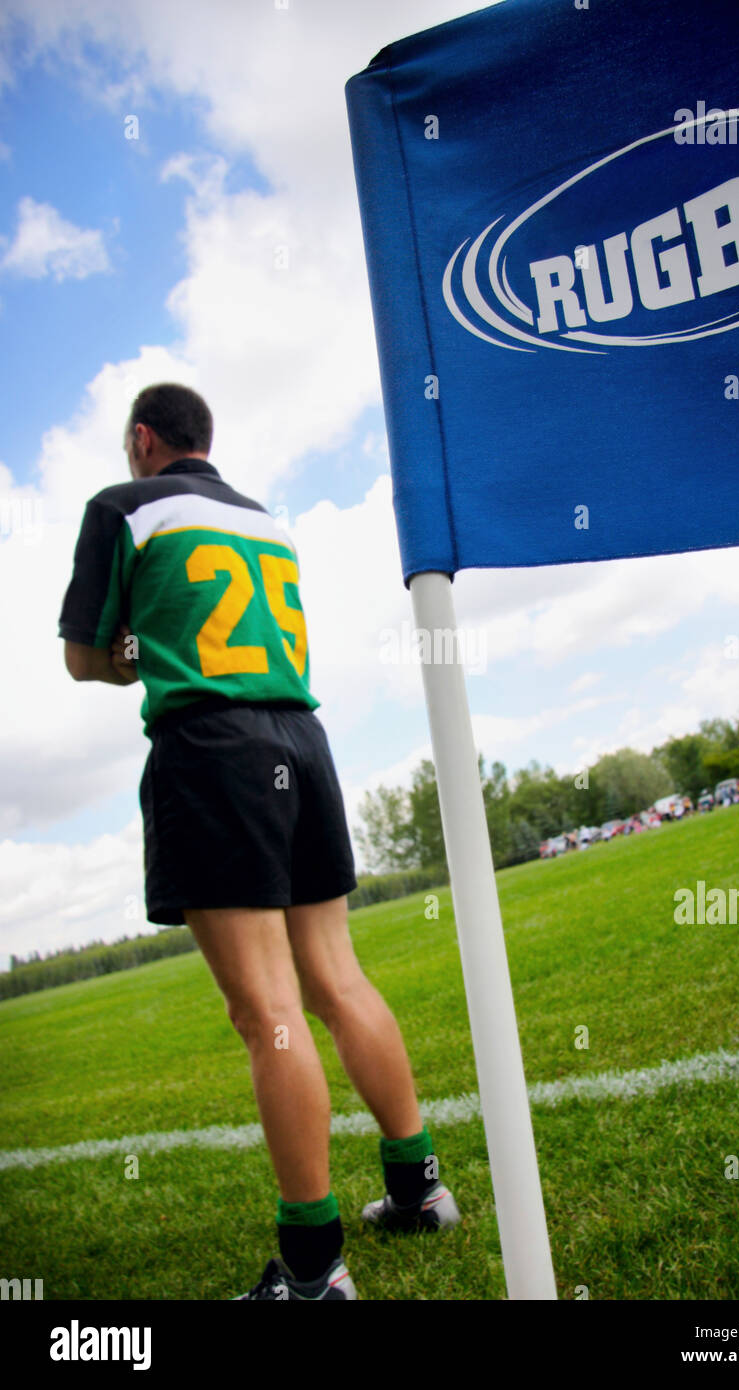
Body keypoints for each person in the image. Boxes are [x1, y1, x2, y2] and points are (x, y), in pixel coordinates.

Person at [58, 382, 460, 1302]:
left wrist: (128, 655)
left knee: (269, 1009)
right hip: (301, 743)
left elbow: (85, 657)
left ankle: (315, 1273)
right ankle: (418, 1190)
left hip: (213, 751)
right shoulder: (267, 521)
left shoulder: (122, 506)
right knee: (337, 978)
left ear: (142, 438)